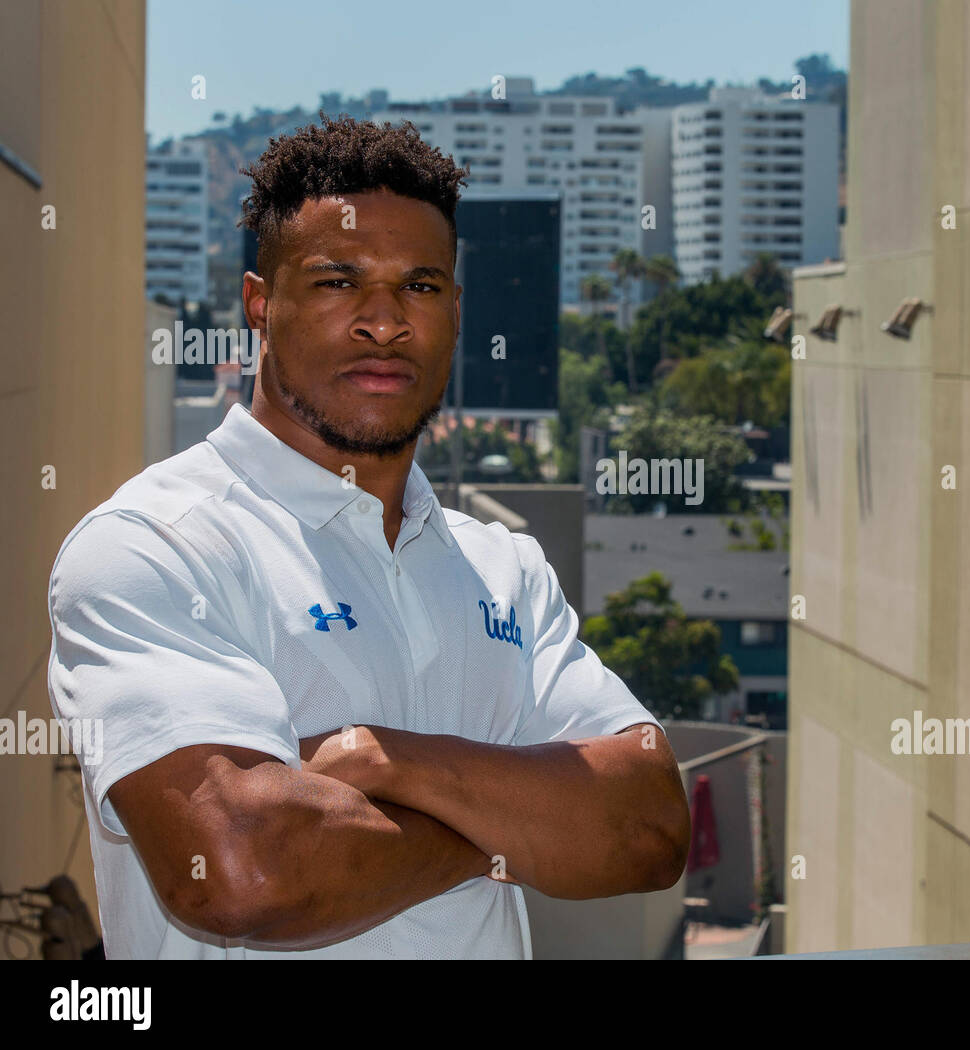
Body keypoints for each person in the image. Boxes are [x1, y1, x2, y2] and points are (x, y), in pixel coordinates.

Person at [46, 114, 690, 959]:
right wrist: (513, 829)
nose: (383, 322)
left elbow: (650, 827)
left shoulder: (503, 568)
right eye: (337, 281)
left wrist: (383, 762)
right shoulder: (155, 546)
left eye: (420, 286)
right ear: (259, 305)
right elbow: (238, 872)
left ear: (456, 312)